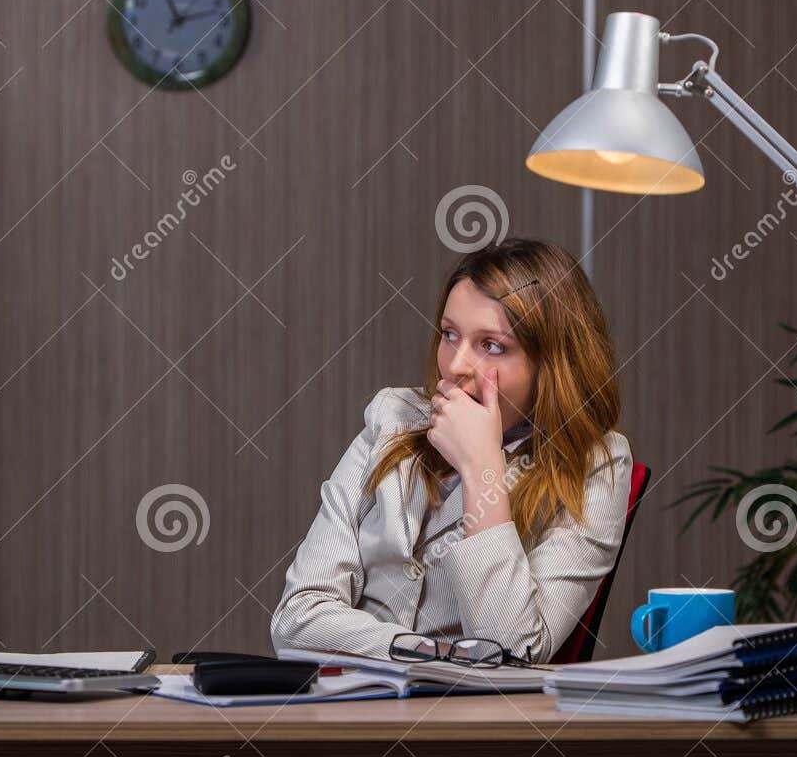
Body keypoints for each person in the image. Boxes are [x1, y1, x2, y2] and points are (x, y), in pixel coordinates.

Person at [270, 237, 632, 664]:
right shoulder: (393, 417)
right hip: (356, 699)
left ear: (552, 364)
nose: (456, 365)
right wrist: (427, 652)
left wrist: (482, 468)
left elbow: (514, 651)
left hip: (474, 709)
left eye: (491, 345)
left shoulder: (597, 464)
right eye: (450, 334)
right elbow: (296, 619)